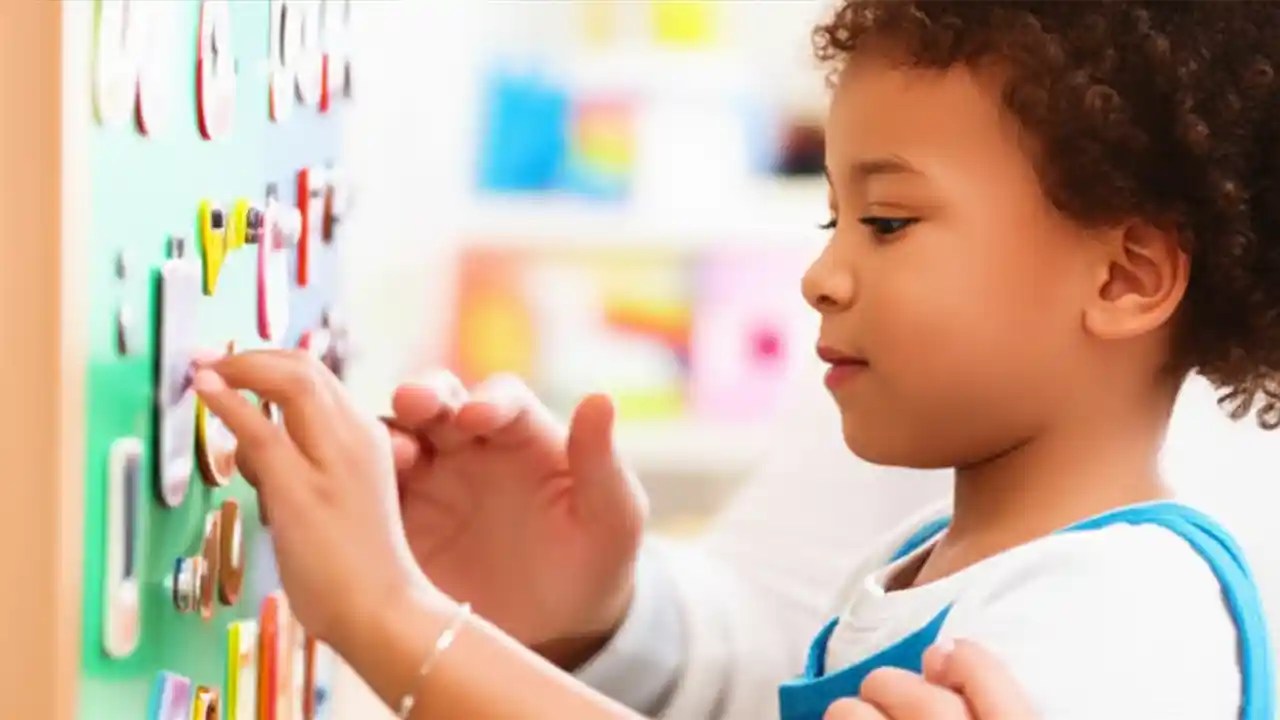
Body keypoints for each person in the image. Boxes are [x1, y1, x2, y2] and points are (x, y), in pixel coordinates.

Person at [193, 2, 1280, 718]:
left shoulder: (1121, 607)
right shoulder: (911, 568)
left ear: (1123, 277)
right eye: (833, 221)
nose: (822, 277)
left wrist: (392, 620)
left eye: (889, 222)